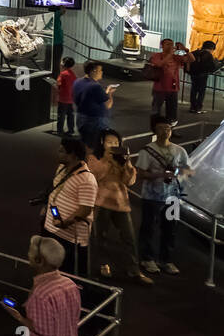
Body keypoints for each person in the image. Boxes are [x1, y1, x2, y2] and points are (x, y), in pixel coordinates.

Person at [1, 236, 81, 336]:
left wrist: (19, 317)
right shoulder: (70, 284)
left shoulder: (41, 295)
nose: (28, 255)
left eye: (31, 253)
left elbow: (44, 330)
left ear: (40, 260)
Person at [86, 130, 151, 284]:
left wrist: (125, 164)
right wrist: (108, 162)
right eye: (109, 142)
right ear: (102, 143)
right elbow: (93, 178)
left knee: (129, 237)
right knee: (100, 236)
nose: (113, 145)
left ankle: (134, 270)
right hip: (100, 202)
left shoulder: (123, 159)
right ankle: (103, 265)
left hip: (120, 202)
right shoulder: (93, 158)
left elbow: (130, 181)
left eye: (116, 143)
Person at [134, 115, 193, 275]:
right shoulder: (147, 151)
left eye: (168, 128)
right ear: (154, 130)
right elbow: (141, 173)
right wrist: (161, 174)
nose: (165, 131)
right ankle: (147, 259)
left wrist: (175, 172)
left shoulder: (180, 151)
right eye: (161, 128)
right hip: (151, 197)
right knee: (149, 228)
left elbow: (189, 171)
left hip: (173, 197)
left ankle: (165, 259)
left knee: (170, 229)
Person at [42, 137, 97, 277]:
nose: (58, 153)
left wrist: (66, 222)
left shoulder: (87, 179)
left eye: (62, 151)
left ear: (72, 154)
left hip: (69, 237)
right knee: (48, 266)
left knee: (67, 274)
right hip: (50, 228)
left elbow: (86, 209)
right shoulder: (62, 168)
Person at [72, 61, 116, 149]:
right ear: (94, 71)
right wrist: (110, 94)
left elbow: (80, 97)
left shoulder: (77, 82)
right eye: (100, 70)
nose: (102, 72)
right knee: (96, 147)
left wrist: (104, 93)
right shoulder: (95, 86)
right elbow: (108, 105)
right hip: (95, 121)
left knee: (85, 145)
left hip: (81, 118)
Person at [148, 38, 189, 123]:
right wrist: (170, 54)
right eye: (167, 44)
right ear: (162, 46)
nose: (170, 46)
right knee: (156, 111)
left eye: (171, 44)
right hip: (159, 88)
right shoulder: (156, 55)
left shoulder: (176, 58)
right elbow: (159, 64)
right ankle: (156, 130)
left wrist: (185, 49)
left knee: (172, 112)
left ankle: (170, 130)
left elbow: (192, 59)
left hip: (173, 88)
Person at [189, 41, 218, 114]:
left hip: (193, 74)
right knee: (201, 92)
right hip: (202, 75)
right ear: (211, 48)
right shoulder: (208, 54)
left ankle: (192, 107)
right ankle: (198, 108)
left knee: (194, 90)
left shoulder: (195, 52)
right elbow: (212, 67)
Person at [55, 56, 76, 137]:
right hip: (70, 98)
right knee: (70, 115)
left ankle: (60, 131)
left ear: (63, 63)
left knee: (61, 115)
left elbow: (58, 83)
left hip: (63, 98)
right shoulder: (72, 74)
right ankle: (71, 130)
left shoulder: (63, 74)